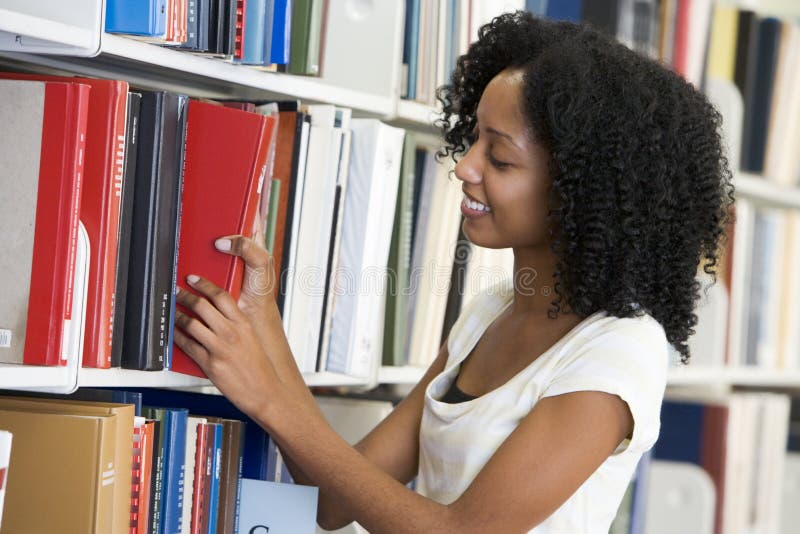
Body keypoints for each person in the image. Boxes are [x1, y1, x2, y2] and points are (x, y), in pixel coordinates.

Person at [172, 11, 733, 533]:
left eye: (501, 158)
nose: (464, 167)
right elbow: (332, 500)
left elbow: (462, 531)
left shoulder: (617, 352)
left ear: (581, 190)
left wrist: (269, 398)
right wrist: (264, 325)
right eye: (473, 141)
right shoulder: (490, 313)